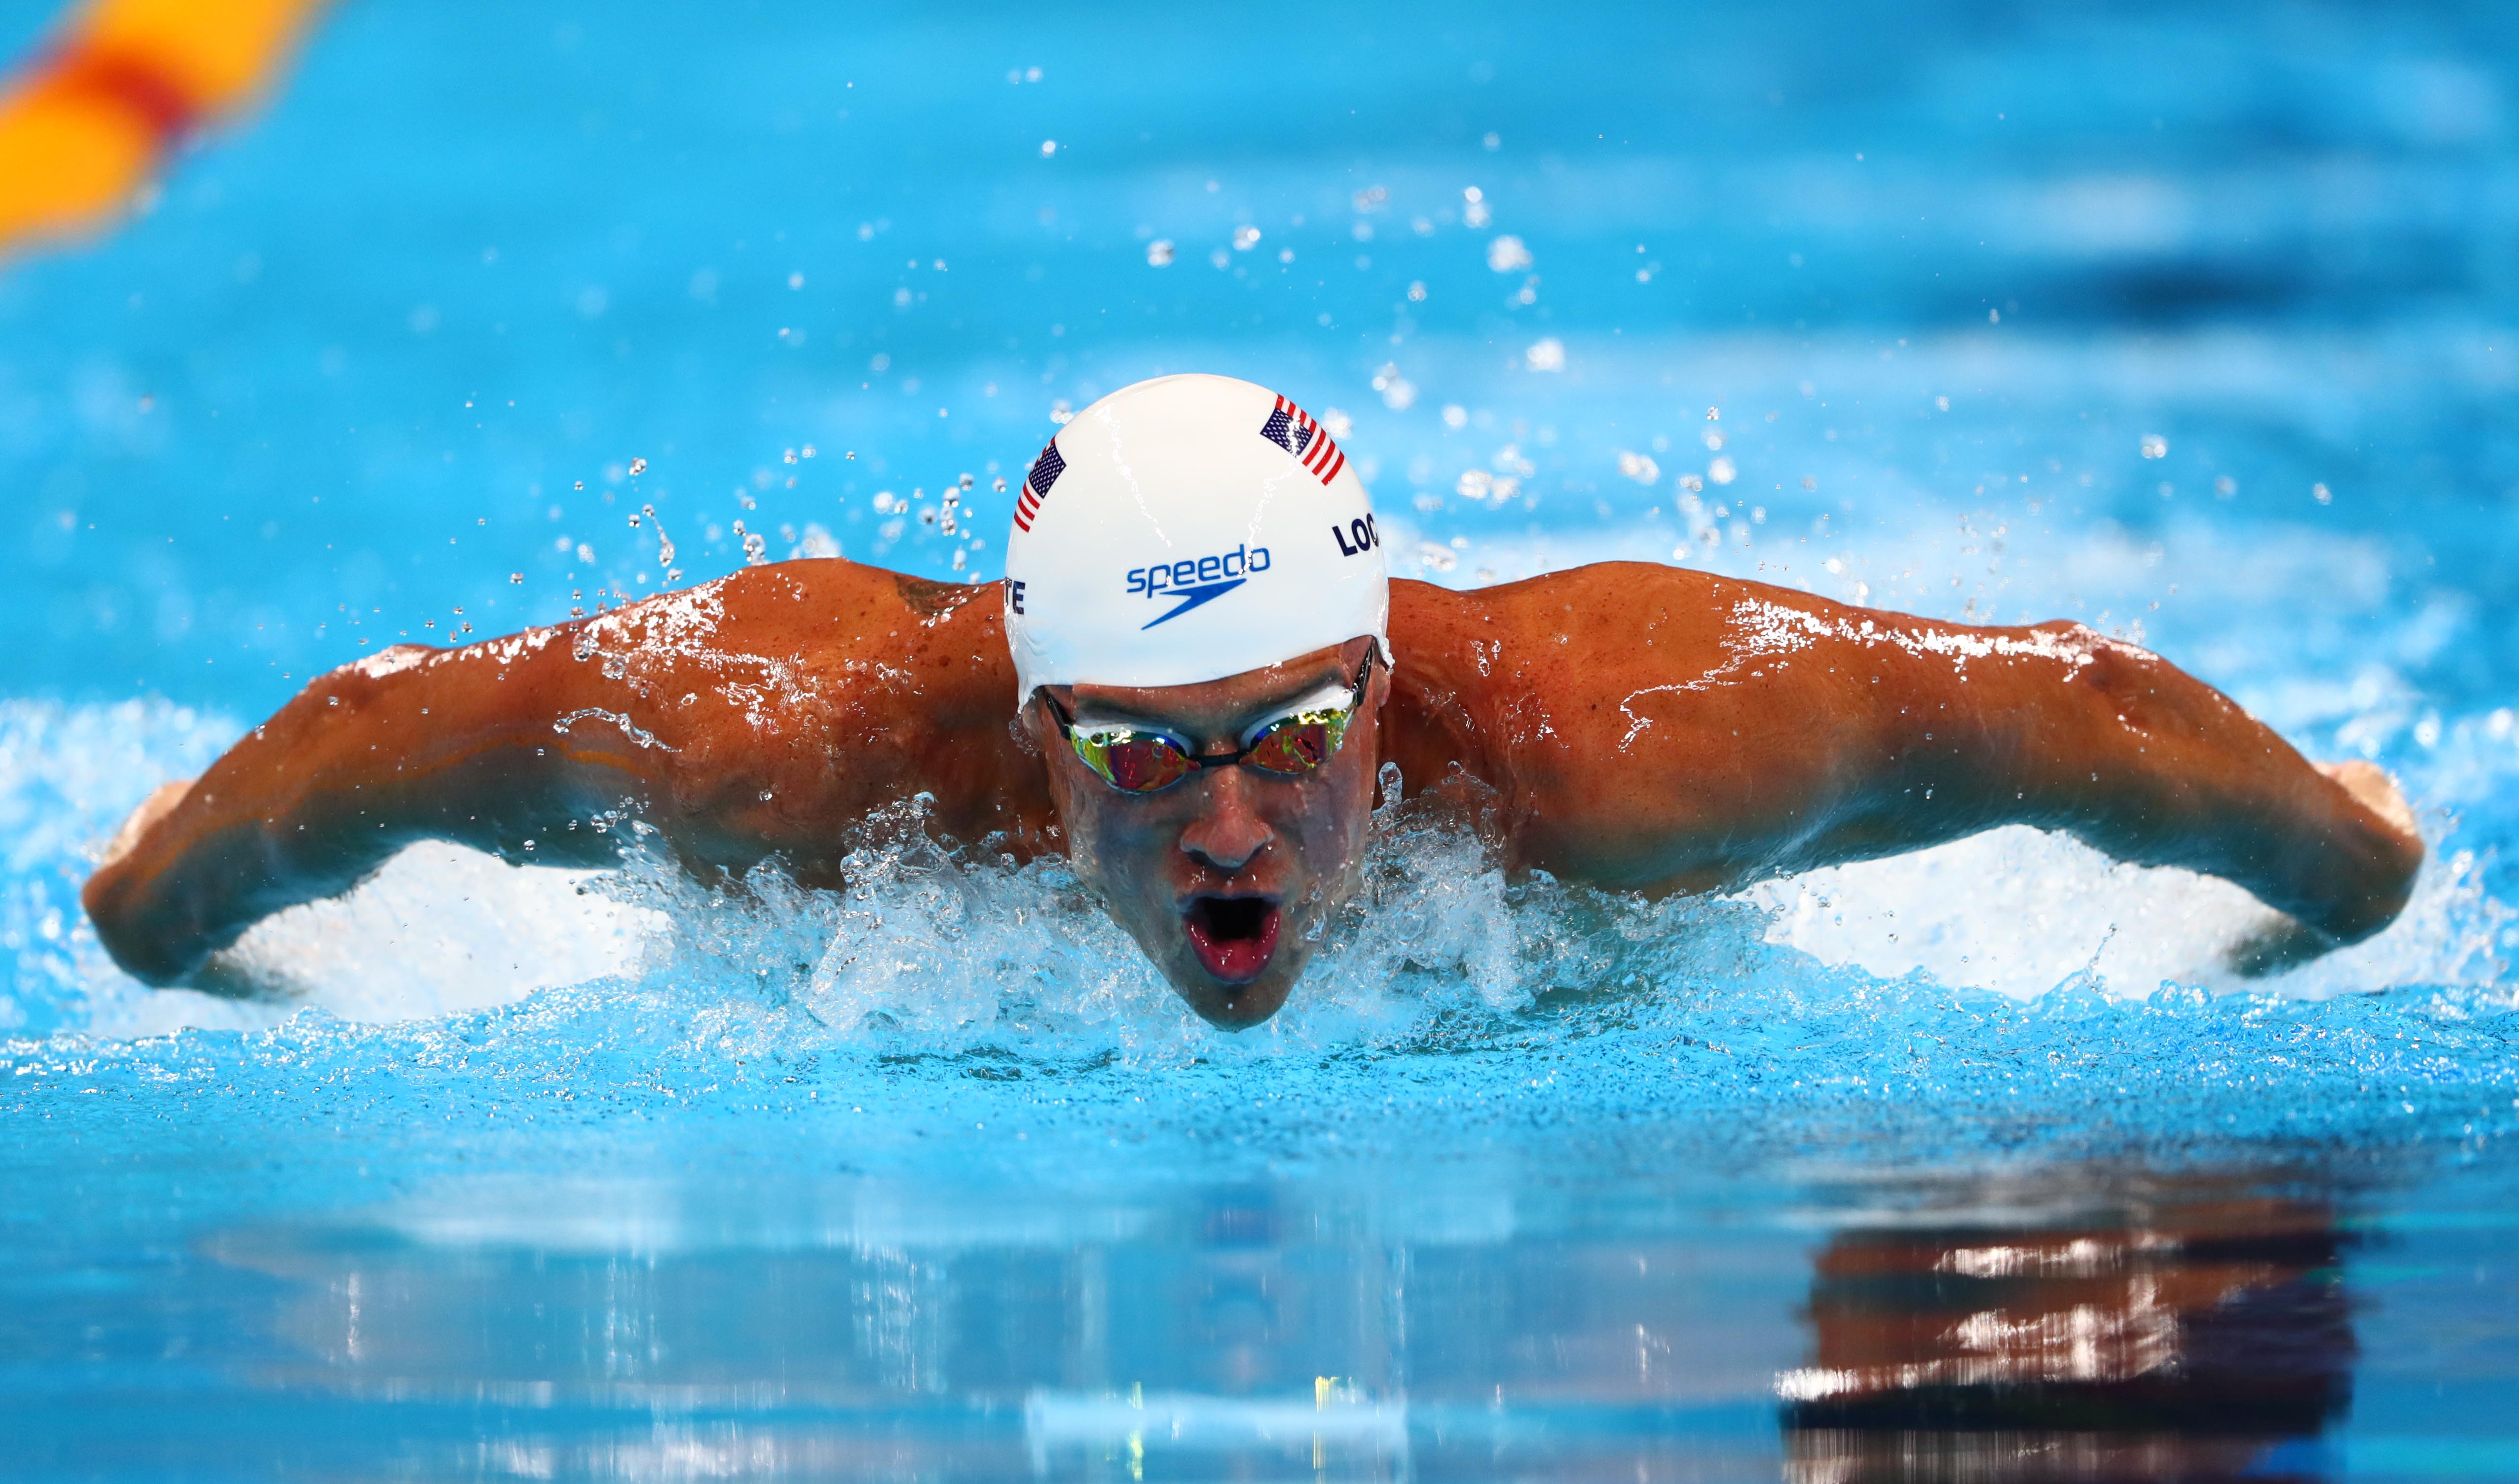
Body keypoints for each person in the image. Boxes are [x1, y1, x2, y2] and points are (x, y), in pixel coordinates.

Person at [82, 373, 2424, 1029]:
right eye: (1143, 749)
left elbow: (2063, 714)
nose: (1229, 826)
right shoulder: (781, 757)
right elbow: (355, 747)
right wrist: (162, 937)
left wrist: (2337, 878)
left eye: (1298, 733)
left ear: (1385, 689)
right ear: (1030, 725)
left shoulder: (1619, 751)